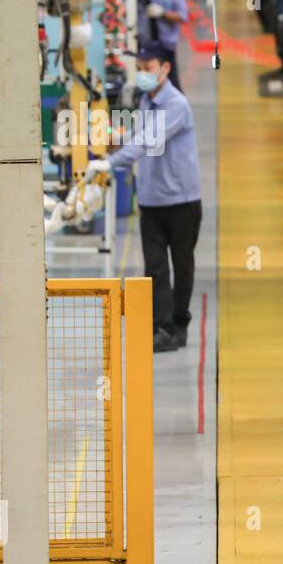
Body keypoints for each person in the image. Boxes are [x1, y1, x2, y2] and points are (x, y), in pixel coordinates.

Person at [87, 41, 203, 354]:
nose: (142, 74)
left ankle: (180, 324)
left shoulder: (176, 105)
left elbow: (151, 140)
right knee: (155, 267)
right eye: (139, 69)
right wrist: (116, 140)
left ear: (165, 68)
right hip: (151, 200)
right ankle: (161, 327)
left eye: (148, 68)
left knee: (182, 265)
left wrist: (111, 163)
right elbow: (139, 135)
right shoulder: (145, 101)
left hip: (181, 201)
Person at [137, 0, 188, 91]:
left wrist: (163, 13)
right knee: (149, 85)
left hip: (166, 47)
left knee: (172, 85)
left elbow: (182, 16)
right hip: (145, 46)